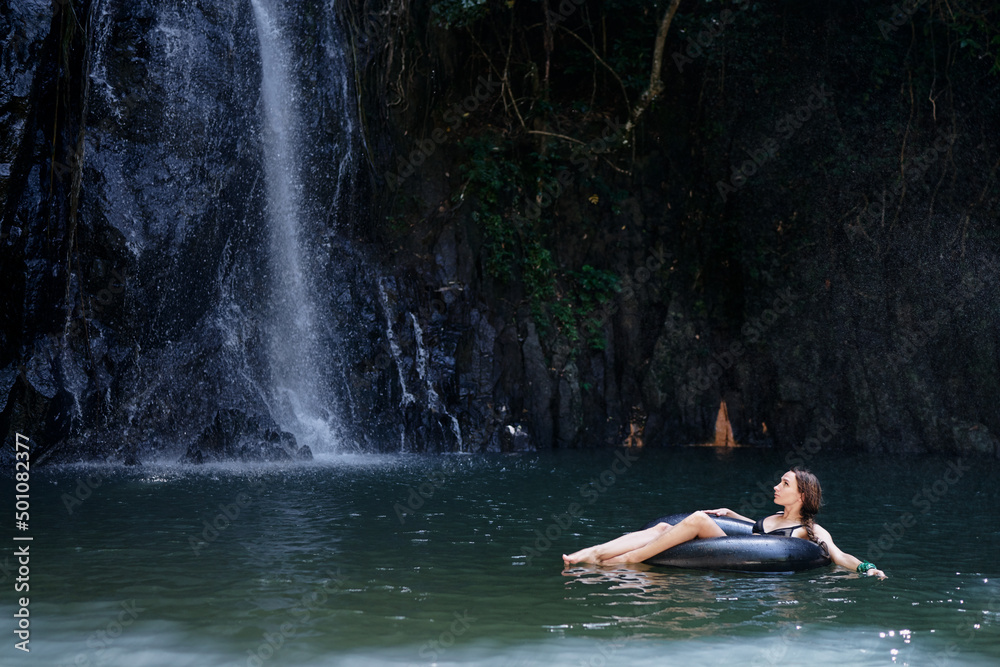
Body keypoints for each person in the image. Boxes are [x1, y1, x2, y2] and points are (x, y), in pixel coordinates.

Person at [562, 468, 887, 579]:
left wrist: (868, 568)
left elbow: (839, 555)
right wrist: (733, 516)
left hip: (753, 573)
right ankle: (595, 552)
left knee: (699, 519)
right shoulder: (774, 518)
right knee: (662, 529)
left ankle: (627, 560)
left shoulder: (808, 531)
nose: (776, 486)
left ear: (801, 495)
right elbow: (754, 531)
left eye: (784, 484)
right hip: (727, 540)